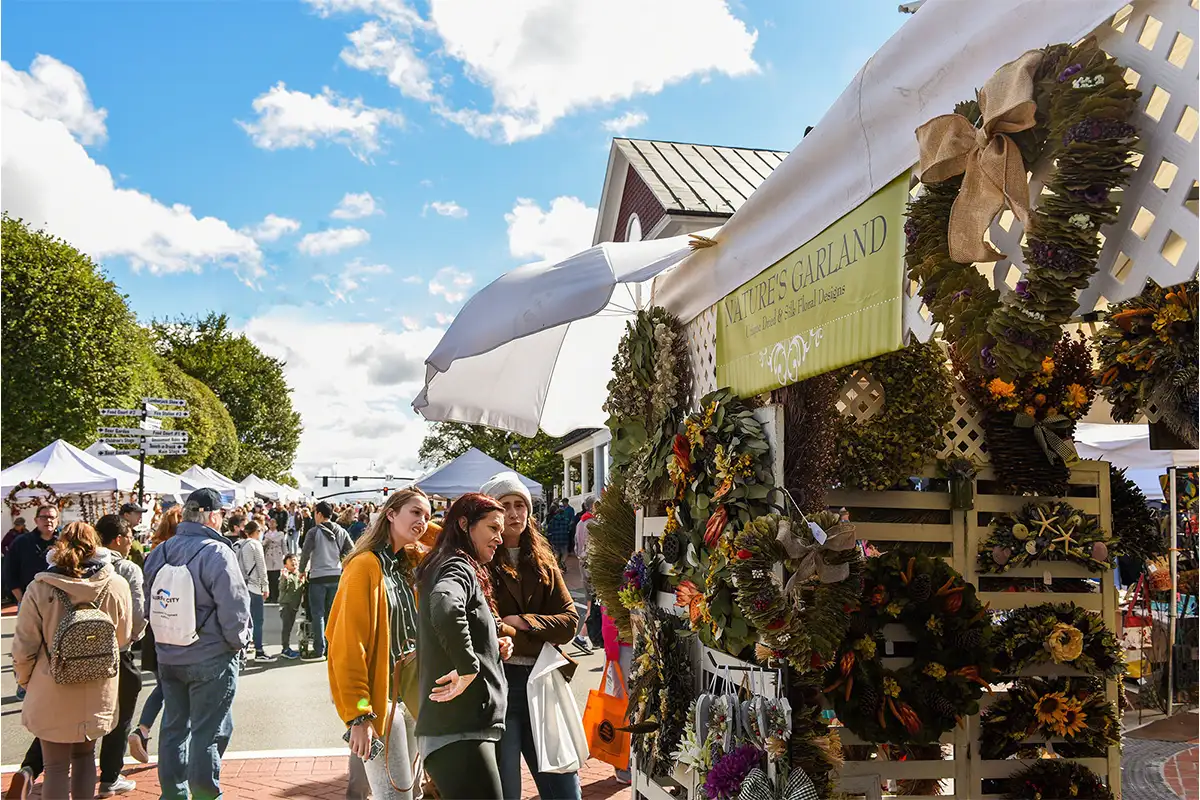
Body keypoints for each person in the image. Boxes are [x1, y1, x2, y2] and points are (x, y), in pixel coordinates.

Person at [141, 488, 251, 800]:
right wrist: (237, 643)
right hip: (211, 654)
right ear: (212, 515)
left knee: (174, 729)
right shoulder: (217, 553)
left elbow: (148, 600)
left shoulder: (160, 552)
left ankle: (173, 794)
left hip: (169, 652)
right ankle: (205, 795)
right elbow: (235, 607)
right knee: (208, 733)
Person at [11, 522, 134, 800]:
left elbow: (24, 646)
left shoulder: (40, 587)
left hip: (51, 682)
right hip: (99, 683)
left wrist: (25, 679)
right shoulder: (115, 584)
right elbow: (124, 637)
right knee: (85, 757)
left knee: (55, 766)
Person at [327, 488, 433, 799]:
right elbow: (347, 645)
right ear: (389, 514)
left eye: (427, 516)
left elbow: (443, 539)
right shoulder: (365, 566)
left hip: (409, 697)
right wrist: (359, 716)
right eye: (415, 512)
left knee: (409, 793)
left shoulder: (403, 564)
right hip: (378, 703)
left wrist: (419, 522)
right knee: (395, 796)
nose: (423, 522)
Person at [481, 474, 581, 800]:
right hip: (498, 685)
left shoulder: (543, 560)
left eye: (520, 504)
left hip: (542, 682)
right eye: (505, 505)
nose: (514, 513)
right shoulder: (478, 563)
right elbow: (485, 628)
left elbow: (570, 623)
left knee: (565, 790)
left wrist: (522, 622)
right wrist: (535, 633)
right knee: (505, 790)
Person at [415, 493, 511, 800]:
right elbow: (445, 605)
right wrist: (469, 667)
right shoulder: (458, 565)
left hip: (461, 729)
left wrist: (490, 647)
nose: (500, 537)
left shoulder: (452, 563)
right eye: (493, 528)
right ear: (464, 524)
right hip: (459, 730)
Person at [127, 505, 182, 764]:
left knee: (164, 685)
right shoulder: (183, 554)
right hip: (179, 629)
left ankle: (143, 729)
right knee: (177, 692)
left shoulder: (154, 553)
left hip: (155, 628)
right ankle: (172, 750)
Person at [300, 501, 353, 661]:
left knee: (318, 614)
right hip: (336, 576)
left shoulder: (313, 532)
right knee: (332, 614)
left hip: (317, 577)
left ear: (319, 514)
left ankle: (319, 649)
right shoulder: (341, 531)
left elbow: (305, 552)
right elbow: (351, 550)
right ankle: (331, 648)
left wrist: (301, 570)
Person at [6, 504, 60, 607]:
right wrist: (22, 599)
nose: (48, 520)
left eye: (52, 517)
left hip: (60, 603)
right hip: (30, 600)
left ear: (57, 520)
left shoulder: (65, 542)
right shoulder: (22, 542)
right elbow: (10, 572)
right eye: (44, 517)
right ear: (36, 520)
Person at [237, 520, 274, 662]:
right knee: (257, 620)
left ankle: (242, 651)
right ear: (256, 532)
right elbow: (261, 567)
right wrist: (265, 586)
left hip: (240, 586)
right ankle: (259, 650)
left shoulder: (237, 545)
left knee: (243, 620)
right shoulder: (255, 545)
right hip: (253, 586)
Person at [573, 496, 602, 652]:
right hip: (594, 567)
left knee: (592, 602)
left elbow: (576, 547)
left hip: (584, 566)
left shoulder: (580, 523)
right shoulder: (593, 524)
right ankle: (583, 636)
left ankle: (585, 636)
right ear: (593, 507)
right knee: (595, 604)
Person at [278, 554, 305, 659]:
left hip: (294, 606)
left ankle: (286, 648)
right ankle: (285, 649)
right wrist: (284, 578)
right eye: (291, 561)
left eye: (295, 560)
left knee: (289, 628)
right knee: (286, 628)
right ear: (286, 565)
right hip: (286, 605)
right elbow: (281, 588)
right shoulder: (286, 575)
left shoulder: (299, 575)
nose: (294, 562)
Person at [545, 500, 575, 570]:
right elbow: (569, 528)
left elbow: (549, 529)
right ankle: (562, 562)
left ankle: (556, 564)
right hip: (564, 539)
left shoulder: (553, 520)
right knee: (565, 552)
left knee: (556, 552)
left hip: (555, 539)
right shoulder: (566, 520)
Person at [263, 516, 287, 603]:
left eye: (273, 522)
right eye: (270, 522)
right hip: (268, 556)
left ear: (276, 524)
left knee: (276, 578)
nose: (272, 524)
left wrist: (286, 556)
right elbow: (263, 545)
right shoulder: (266, 534)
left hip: (277, 555)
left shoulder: (280, 534)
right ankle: (270, 596)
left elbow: (284, 545)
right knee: (269, 578)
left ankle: (276, 596)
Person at [119, 503, 147, 568]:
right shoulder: (120, 535)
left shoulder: (134, 534)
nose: (140, 516)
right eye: (137, 513)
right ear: (126, 515)